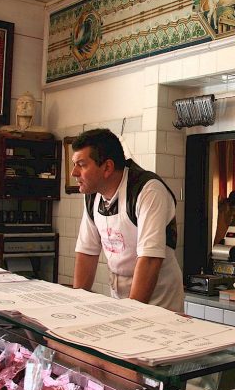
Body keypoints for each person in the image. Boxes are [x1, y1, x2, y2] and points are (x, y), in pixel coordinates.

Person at [72, 128, 184, 312]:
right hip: (120, 293)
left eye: (82, 164)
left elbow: (149, 260)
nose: (74, 173)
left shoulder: (148, 191)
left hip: (159, 297)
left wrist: (131, 314)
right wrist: (77, 306)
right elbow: (87, 252)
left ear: (107, 167)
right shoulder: (93, 196)